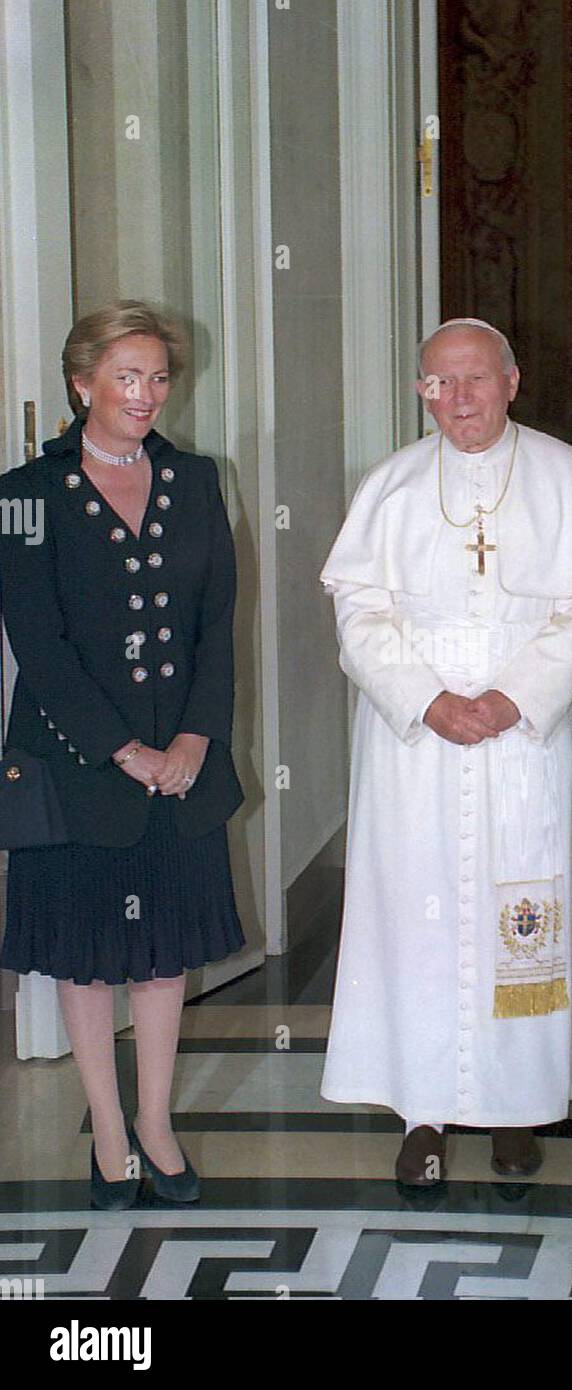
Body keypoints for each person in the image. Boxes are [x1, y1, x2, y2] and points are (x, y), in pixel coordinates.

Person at [319, 318, 572, 1186]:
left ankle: (517, 1106)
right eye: (437, 384)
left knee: (520, 924)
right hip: (413, 741)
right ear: (420, 392)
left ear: (510, 381)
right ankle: (422, 1110)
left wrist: (509, 697)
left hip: (521, 739)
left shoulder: (565, 476)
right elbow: (359, 616)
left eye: (474, 381)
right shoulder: (389, 484)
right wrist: (424, 699)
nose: (457, 400)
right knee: (416, 924)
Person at [0, 300, 245, 1208]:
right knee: (86, 952)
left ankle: (155, 1124)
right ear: (82, 383)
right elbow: (38, 641)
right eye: (126, 377)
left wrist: (191, 736)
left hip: (180, 756)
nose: (145, 395)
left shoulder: (196, 479)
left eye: (158, 377)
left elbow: (216, 622)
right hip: (74, 760)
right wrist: (123, 750)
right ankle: (106, 1131)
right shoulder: (27, 492)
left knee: (164, 950)